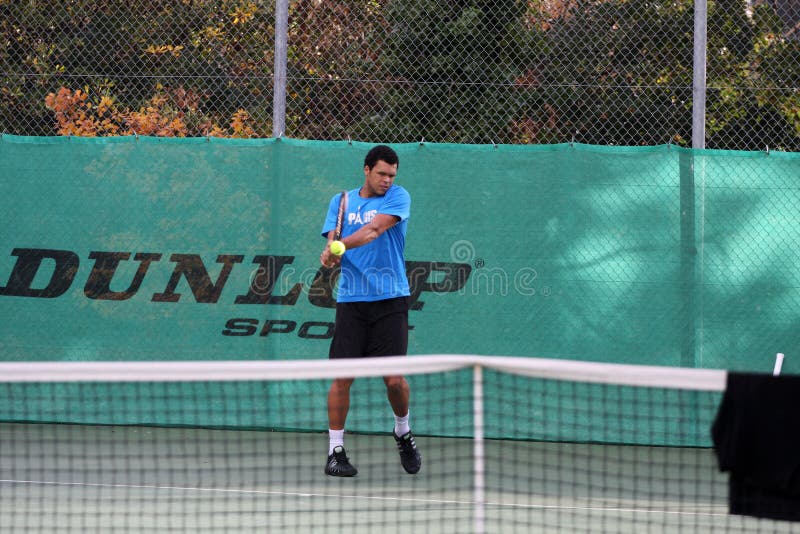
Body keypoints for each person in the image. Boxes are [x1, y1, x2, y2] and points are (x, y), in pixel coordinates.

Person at [319, 144, 421, 477]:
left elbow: (374, 230)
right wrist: (330, 254)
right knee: (342, 377)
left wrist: (340, 245)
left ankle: (402, 431)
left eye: (392, 175)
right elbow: (332, 244)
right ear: (366, 170)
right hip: (352, 302)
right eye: (381, 174)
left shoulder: (398, 197)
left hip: (391, 300)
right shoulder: (341, 202)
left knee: (394, 380)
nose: (387, 180)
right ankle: (335, 451)